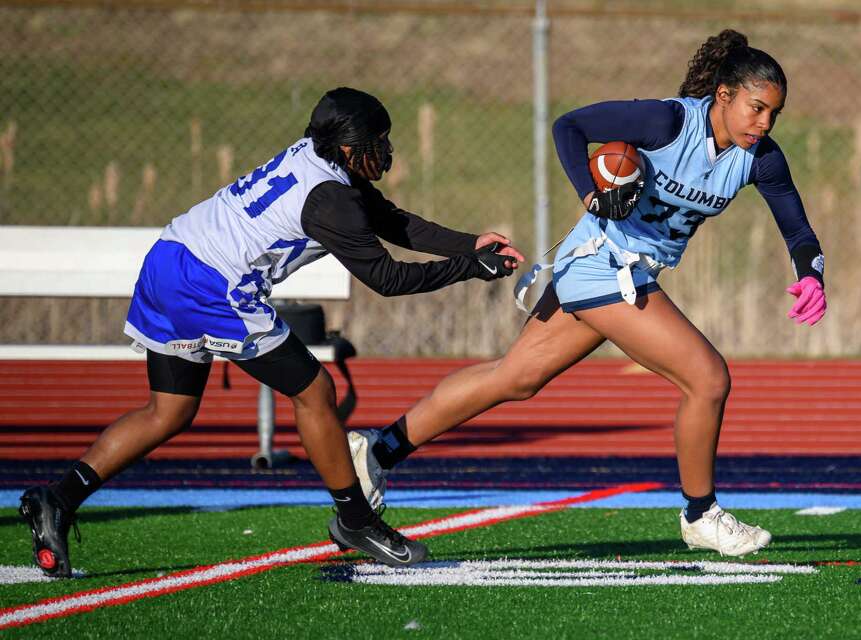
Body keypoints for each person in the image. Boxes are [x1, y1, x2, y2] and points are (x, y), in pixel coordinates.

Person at [348, 30, 827, 557]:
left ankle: (377, 451)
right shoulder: (667, 122)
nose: (765, 123)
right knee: (707, 378)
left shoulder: (761, 158)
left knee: (514, 378)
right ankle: (701, 514)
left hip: (618, 272)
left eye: (774, 115)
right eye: (757, 108)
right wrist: (590, 193)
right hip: (600, 264)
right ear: (724, 96)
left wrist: (811, 274)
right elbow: (569, 125)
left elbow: (798, 231)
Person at [19, 87, 524, 577]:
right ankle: (356, 520)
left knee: (168, 411)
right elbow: (388, 279)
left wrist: (468, 243)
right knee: (315, 391)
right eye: (378, 142)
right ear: (347, 148)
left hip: (169, 258)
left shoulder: (315, 156)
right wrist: (471, 268)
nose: (386, 151)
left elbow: (386, 218)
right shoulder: (331, 200)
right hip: (209, 284)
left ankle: (58, 499)